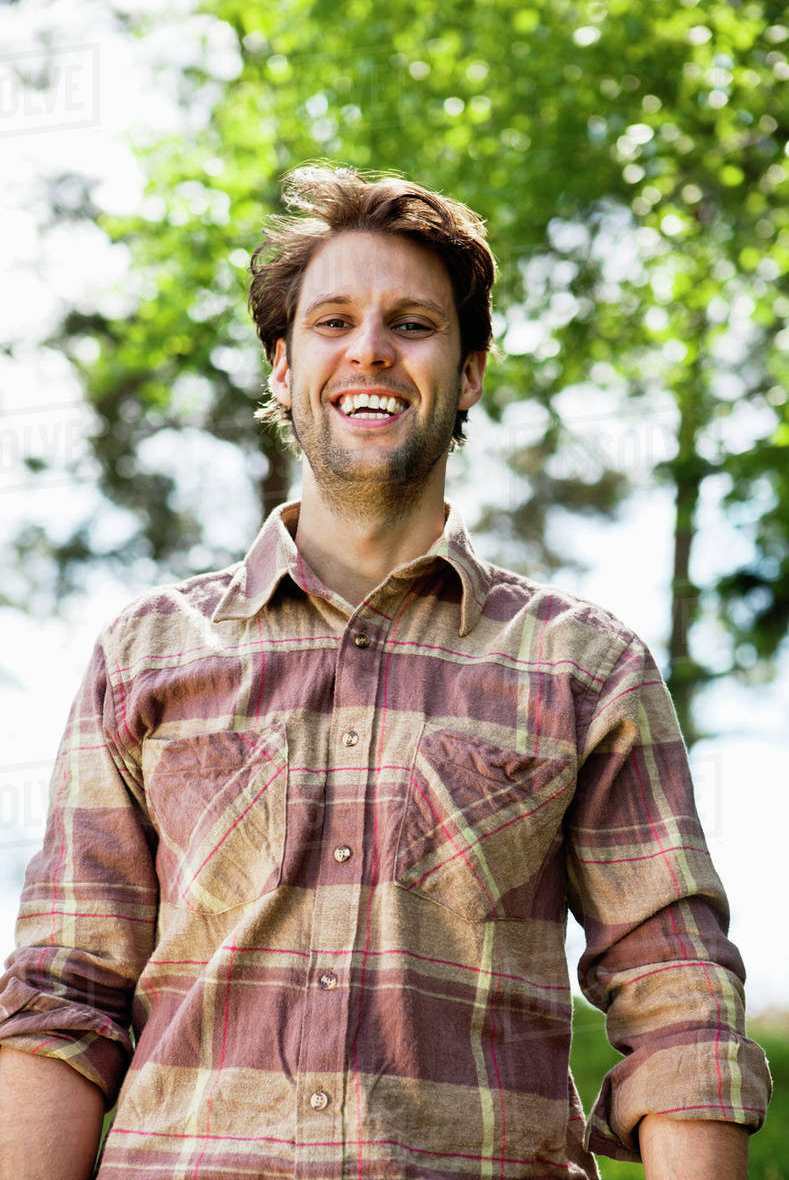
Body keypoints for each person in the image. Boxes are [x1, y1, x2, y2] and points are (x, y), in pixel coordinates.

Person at [0, 165, 771, 1180]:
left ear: (471, 371)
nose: (369, 347)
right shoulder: (145, 656)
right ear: (283, 369)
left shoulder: (586, 667)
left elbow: (677, 1004)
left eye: (412, 323)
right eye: (333, 322)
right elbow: (63, 998)